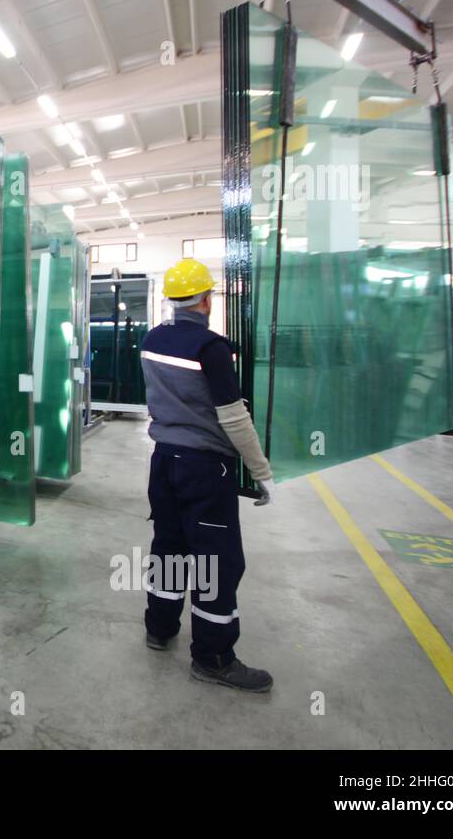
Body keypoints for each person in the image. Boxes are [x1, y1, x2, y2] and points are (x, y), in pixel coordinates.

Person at [139, 258, 274, 693]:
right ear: (207, 300)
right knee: (217, 562)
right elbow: (234, 419)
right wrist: (260, 471)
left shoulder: (152, 339)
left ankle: (159, 628)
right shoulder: (212, 348)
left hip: (164, 462)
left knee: (170, 546)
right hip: (204, 467)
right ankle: (214, 658)